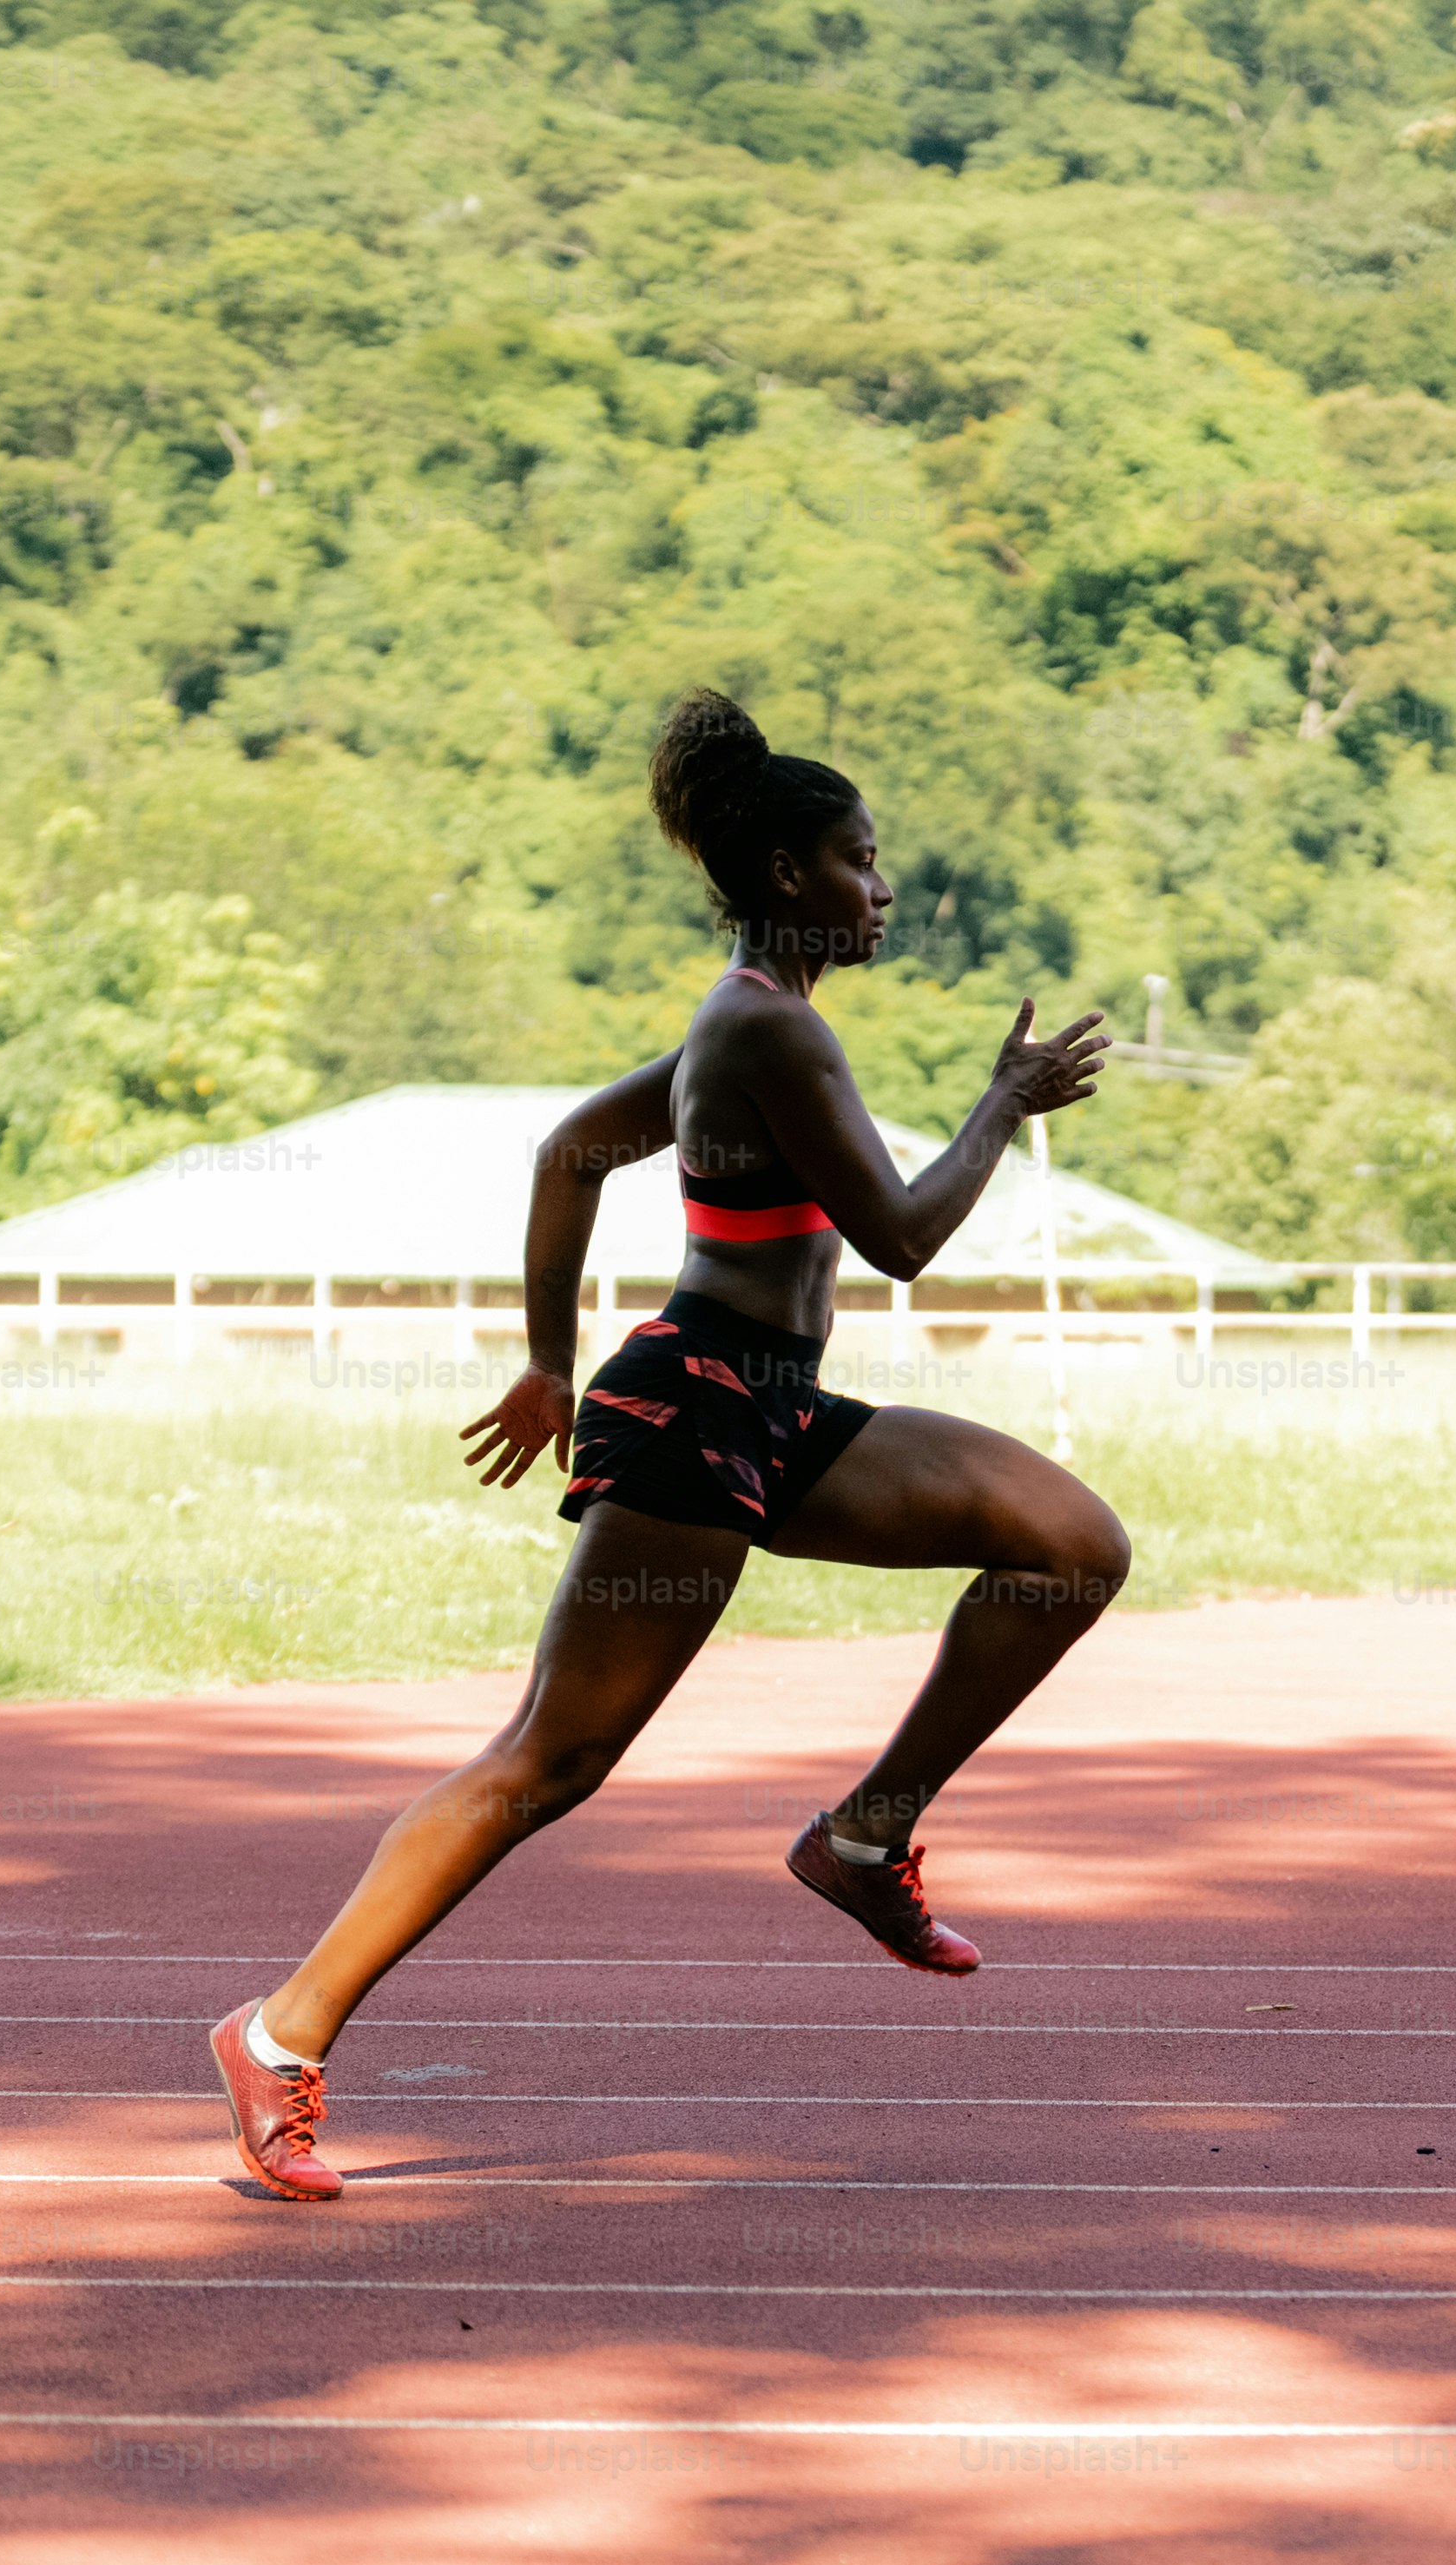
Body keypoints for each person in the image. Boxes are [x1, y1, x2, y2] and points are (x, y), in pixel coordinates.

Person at [207, 689, 1131, 2200]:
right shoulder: (768, 1032)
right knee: (550, 1760)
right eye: (859, 857)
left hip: (774, 1408)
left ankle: (865, 1834)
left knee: (1071, 1545)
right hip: (702, 1409)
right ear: (785, 874)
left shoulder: (750, 1019)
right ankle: (279, 2035)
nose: (881, 886)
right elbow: (899, 1238)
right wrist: (1003, 1103)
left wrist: (549, 1360)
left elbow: (571, 1146)